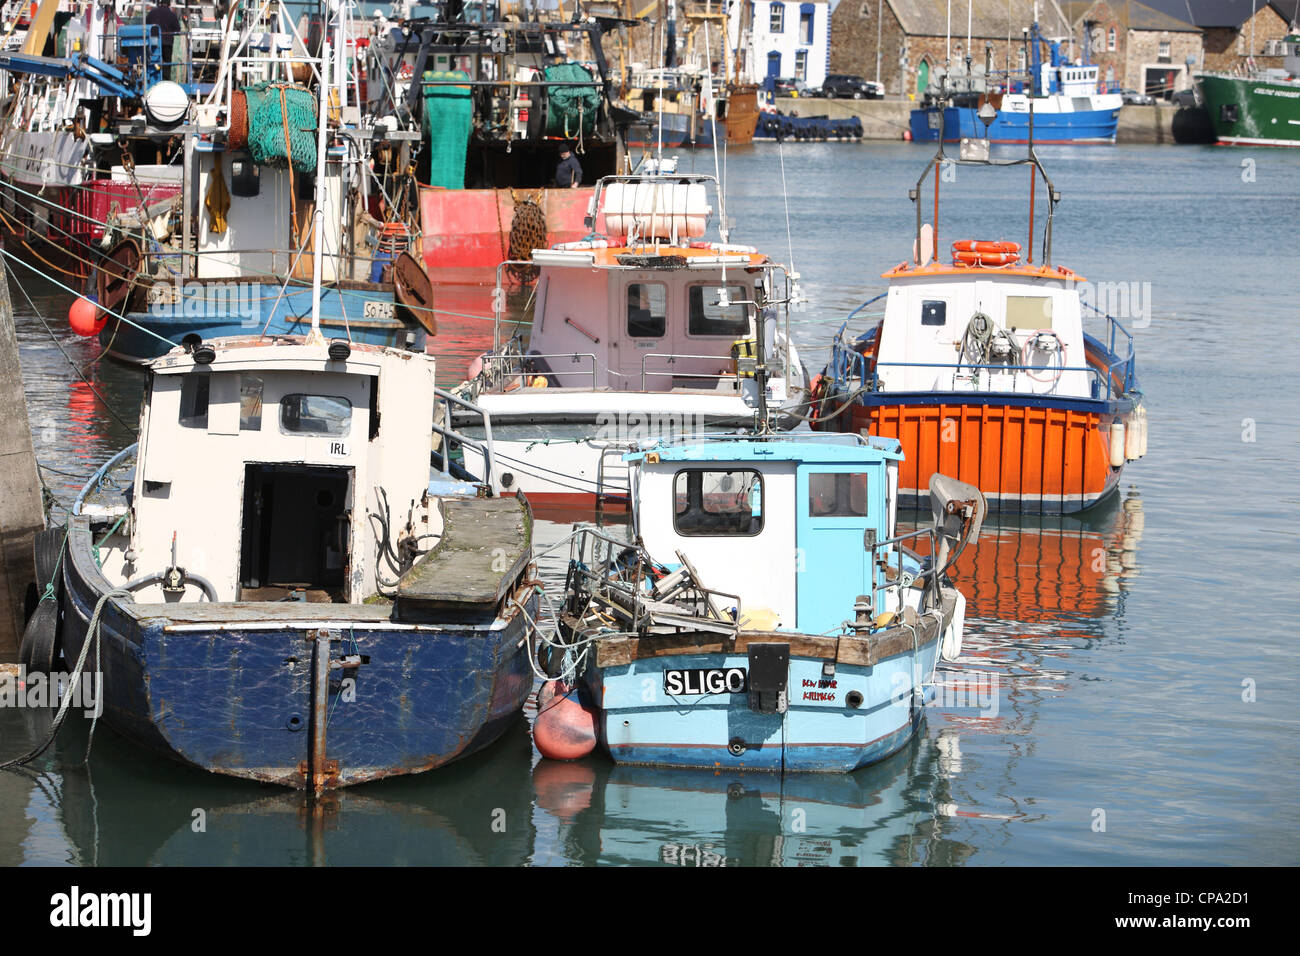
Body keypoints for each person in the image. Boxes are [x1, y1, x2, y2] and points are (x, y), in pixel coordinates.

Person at [146, 0, 182, 73]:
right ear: (169, 4)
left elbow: (146, 26)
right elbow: (177, 30)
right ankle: (165, 80)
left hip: (153, 43)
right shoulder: (172, 14)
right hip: (167, 43)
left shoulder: (152, 13)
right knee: (166, 64)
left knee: (154, 63)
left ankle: (153, 80)